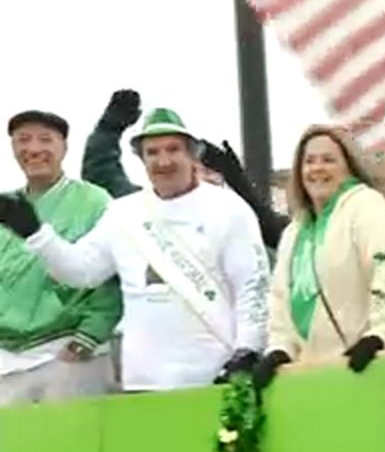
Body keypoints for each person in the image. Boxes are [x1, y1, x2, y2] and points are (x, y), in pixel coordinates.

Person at [0, 108, 270, 392]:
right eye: (152, 152)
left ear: (192, 155)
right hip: (144, 378)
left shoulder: (229, 209)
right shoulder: (124, 213)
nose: (163, 161)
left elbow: (252, 286)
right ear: (141, 159)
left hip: (215, 373)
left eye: (173, 149)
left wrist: (248, 349)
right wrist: (37, 234)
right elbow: (81, 272)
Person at [253, 126, 385, 389]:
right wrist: (280, 348)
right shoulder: (295, 231)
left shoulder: (367, 207)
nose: (317, 168)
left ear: (349, 167)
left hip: (365, 369)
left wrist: (381, 336)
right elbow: (280, 299)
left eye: (328, 160)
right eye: (309, 161)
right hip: (310, 377)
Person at [0, 110, 121, 406]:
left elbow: (114, 274)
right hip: (8, 356)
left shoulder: (95, 201)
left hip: (70, 352)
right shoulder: (5, 206)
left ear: (64, 147)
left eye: (45, 140)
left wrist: (89, 336)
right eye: (23, 140)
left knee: (71, 435)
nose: (33, 149)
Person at [81, 89, 288, 249]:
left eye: (212, 171)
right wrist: (108, 130)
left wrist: (243, 188)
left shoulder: (238, 219)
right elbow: (101, 175)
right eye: (154, 152)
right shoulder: (140, 210)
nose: (164, 161)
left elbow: (280, 236)